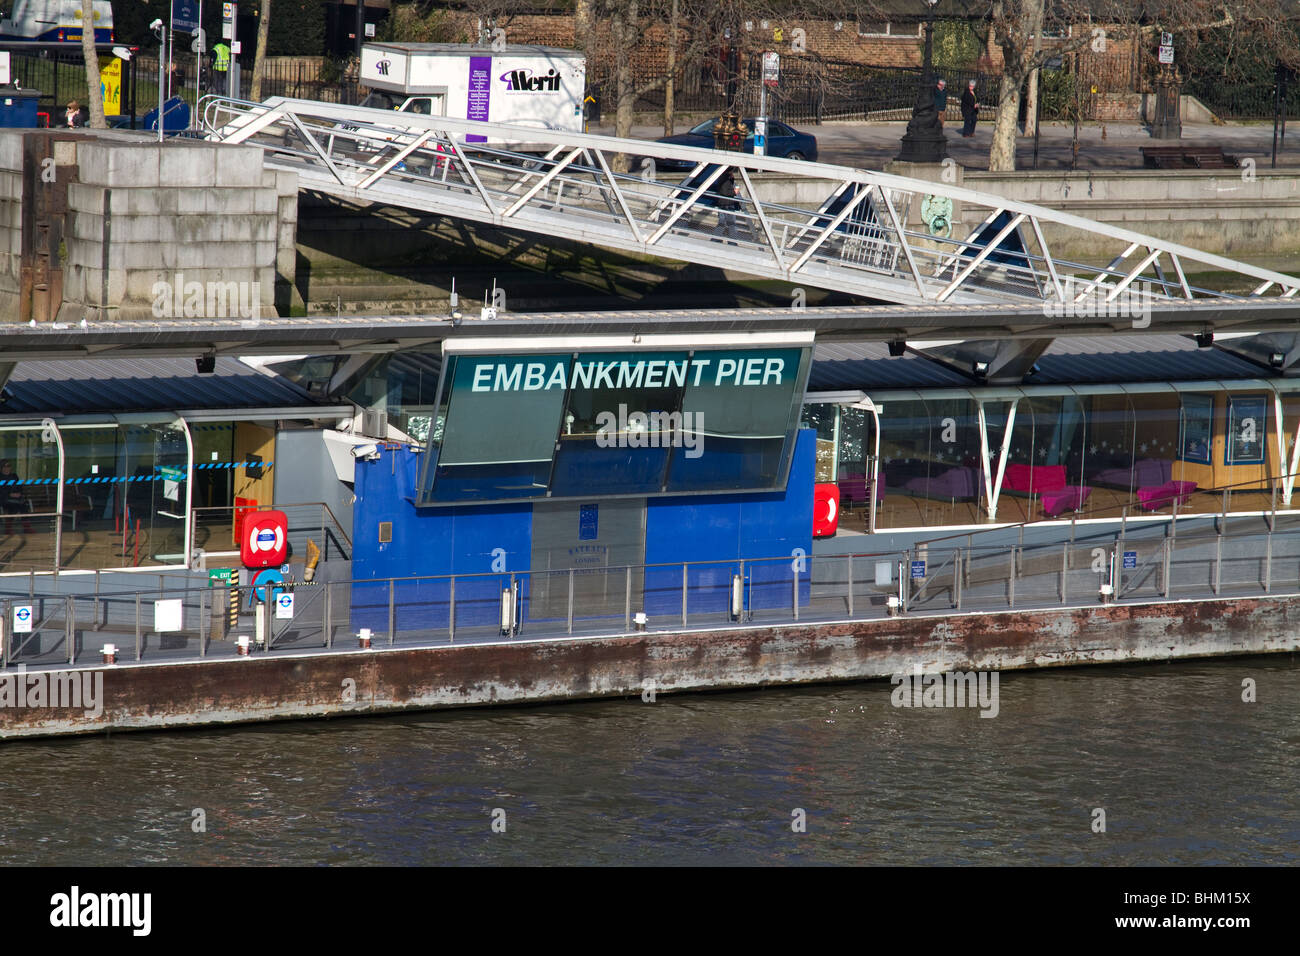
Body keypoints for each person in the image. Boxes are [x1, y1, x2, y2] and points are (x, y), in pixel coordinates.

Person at [0, 459, 31, 535]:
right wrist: (9, 494)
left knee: (24, 506)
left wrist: (19, 493)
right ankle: (8, 529)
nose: (7, 468)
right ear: (1, 468)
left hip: (16, 498)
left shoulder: (14, 476)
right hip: (4, 498)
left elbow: (19, 486)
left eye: (8, 466)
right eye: (5, 466)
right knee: (13, 506)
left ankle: (26, 528)